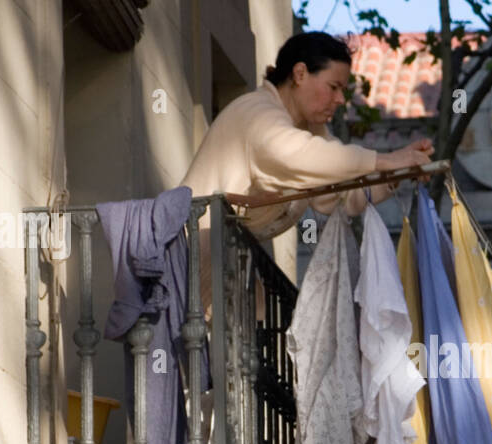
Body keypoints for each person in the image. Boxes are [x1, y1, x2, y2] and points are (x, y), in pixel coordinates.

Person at [180, 31, 434, 309]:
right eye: (333, 87)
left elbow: (341, 195)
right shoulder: (256, 111)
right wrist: (388, 160)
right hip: (186, 265)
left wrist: (396, 175)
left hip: (218, 276)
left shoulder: (309, 132)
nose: (339, 99)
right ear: (300, 74)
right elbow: (300, 155)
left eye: (343, 91)